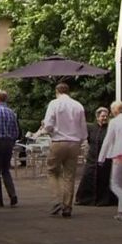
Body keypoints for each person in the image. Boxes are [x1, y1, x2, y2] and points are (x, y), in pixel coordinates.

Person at [42, 82, 88, 218]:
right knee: (69, 175)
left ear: (57, 91)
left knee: (52, 171)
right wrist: (82, 139)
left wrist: (45, 129)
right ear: (68, 91)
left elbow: (49, 125)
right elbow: (83, 127)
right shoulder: (78, 105)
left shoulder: (54, 103)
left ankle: (56, 200)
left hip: (59, 141)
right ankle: (67, 206)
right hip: (74, 143)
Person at [76, 107, 118, 207]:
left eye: (106, 116)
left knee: (104, 178)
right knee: (88, 176)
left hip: (106, 158)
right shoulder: (90, 127)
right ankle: (85, 199)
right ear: (97, 117)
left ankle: (103, 200)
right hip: (92, 157)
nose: (104, 118)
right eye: (102, 116)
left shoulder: (110, 128)